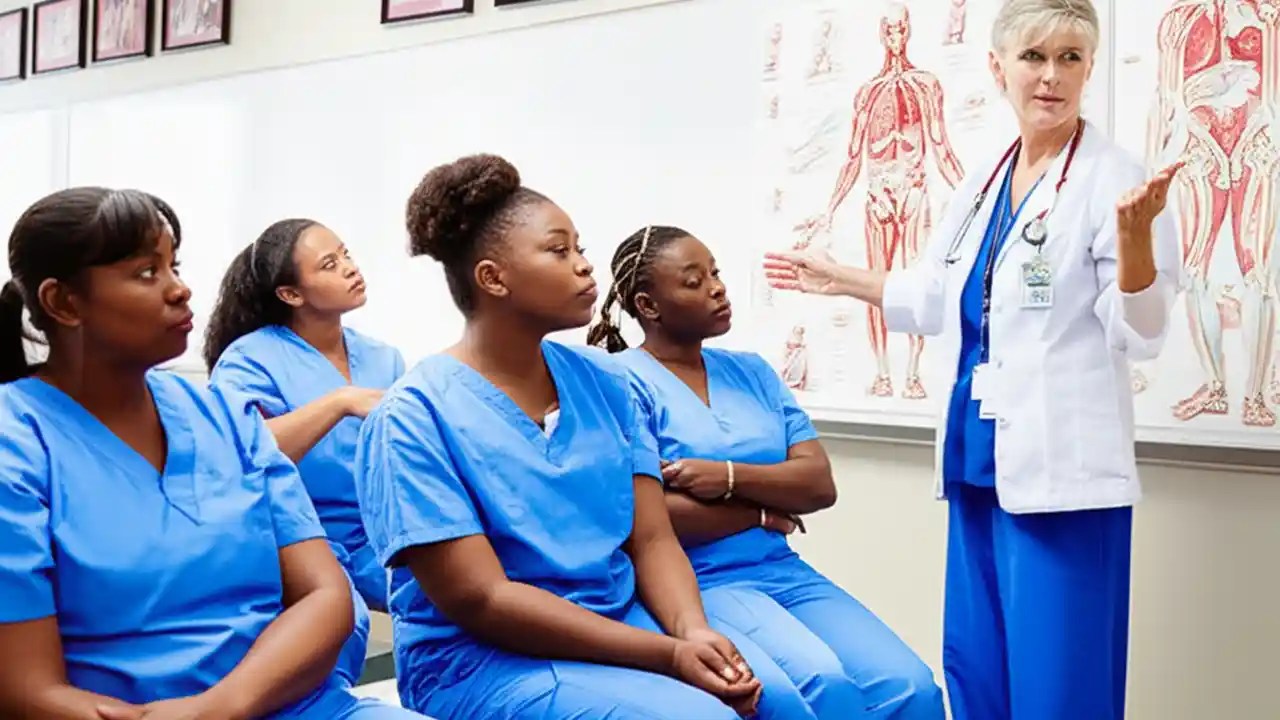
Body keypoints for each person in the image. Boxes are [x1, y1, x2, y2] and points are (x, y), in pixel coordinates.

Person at [763, 2, 1182, 719]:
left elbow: (1139, 334)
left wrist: (1137, 246)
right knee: (977, 669)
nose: (1051, 76)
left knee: (1060, 683)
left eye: (1071, 58)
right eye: (1033, 57)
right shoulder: (985, 176)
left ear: (1090, 67)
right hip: (976, 459)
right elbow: (937, 293)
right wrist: (840, 277)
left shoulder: (1116, 178)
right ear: (998, 68)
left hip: (1064, 480)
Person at [353, 153, 824, 720]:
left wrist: (693, 631)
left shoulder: (603, 383)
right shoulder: (413, 418)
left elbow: (651, 539)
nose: (584, 266)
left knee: (777, 703)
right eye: (559, 250)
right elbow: (484, 600)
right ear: (492, 278)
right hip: (485, 659)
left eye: (579, 247)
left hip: (621, 621)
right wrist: (669, 654)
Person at [0, 187, 424, 720]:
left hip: (292, 704)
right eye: (146, 273)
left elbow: (326, 594)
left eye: (173, 266)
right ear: (63, 302)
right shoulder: (17, 444)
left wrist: (221, 706)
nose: (180, 290)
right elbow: (26, 688)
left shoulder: (225, 418)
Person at [586, 224, 946, 720]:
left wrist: (727, 478)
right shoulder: (617, 383)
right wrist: (762, 512)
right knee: (824, 685)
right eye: (693, 281)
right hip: (700, 581)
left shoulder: (752, 371)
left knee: (911, 686)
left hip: (782, 569)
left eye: (715, 272)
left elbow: (818, 484)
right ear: (649, 306)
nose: (716, 287)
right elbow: (646, 519)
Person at [204, 218, 405, 615]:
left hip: (386, 534)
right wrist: (339, 403)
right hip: (298, 539)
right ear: (291, 293)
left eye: (345, 253)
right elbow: (239, 454)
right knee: (340, 619)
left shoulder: (384, 358)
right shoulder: (250, 360)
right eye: (329, 265)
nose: (350, 267)